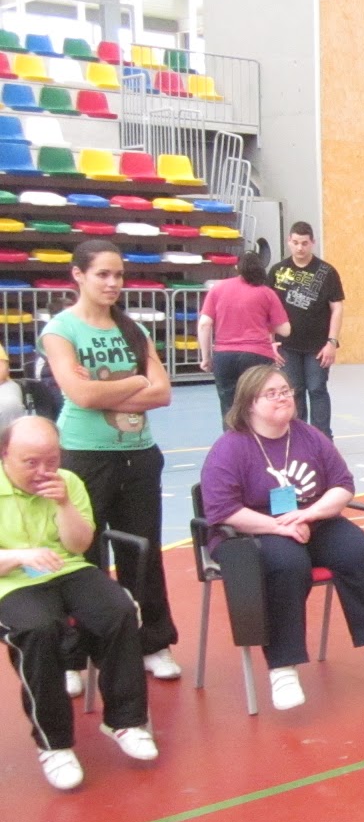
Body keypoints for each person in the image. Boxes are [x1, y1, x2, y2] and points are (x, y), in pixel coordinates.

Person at [199, 363, 364, 711]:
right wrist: (279, 526)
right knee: (287, 563)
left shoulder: (308, 435)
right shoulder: (230, 448)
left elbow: (342, 486)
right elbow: (223, 511)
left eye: (286, 391)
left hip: (309, 520)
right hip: (252, 530)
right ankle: (283, 666)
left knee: (360, 550)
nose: (282, 399)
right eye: (271, 394)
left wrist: (309, 513)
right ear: (248, 404)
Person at [38, 241, 181, 688]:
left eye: (118, 275)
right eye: (103, 274)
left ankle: (152, 643)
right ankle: (76, 655)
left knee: (142, 552)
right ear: (77, 275)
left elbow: (164, 392)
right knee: (81, 556)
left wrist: (116, 387)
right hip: (84, 456)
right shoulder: (61, 331)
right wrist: (138, 379)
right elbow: (79, 396)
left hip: (138, 456)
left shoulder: (132, 330)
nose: (113, 283)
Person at [0, 416, 156, 791]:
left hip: (67, 569)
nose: (44, 471)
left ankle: (125, 721)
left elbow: (78, 544)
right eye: (31, 462)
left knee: (118, 611)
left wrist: (64, 503)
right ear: (5, 455)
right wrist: (21, 556)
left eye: (51, 460)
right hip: (11, 580)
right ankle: (54, 745)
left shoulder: (67, 482)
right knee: (38, 630)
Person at [269, 220, 344, 437]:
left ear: (312, 243)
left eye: (304, 243)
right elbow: (267, 309)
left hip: (318, 347)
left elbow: (337, 308)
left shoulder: (326, 272)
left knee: (317, 389)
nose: (300, 248)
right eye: (295, 243)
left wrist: (332, 342)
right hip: (287, 346)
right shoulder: (277, 271)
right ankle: (298, 436)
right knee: (294, 392)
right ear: (288, 242)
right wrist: (270, 342)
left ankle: (322, 438)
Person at [198, 251, 290, 418]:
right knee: (257, 404)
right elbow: (285, 330)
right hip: (257, 354)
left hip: (224, 355)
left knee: (228, 406)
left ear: (236, 267)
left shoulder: (218, 289)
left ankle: (233, 441)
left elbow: (204, 324)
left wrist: (206, 357)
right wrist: (266, 323)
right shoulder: (267, 293)